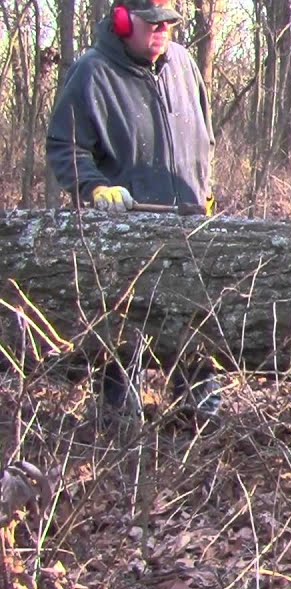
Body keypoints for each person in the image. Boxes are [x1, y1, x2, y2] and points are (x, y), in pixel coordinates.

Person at [47, 0, 220, 418]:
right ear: (123, 20)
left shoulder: (182, 64)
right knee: (127, 330)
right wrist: (94, 188)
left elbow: (205, 137)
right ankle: (120, 422)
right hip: (127, 237)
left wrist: (206, 192)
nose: (161, 31)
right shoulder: (92, 72)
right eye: (152, 23)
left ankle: (200, 412)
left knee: (195, 325)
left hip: (189, 228)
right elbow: (64, 146)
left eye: (168, 24)